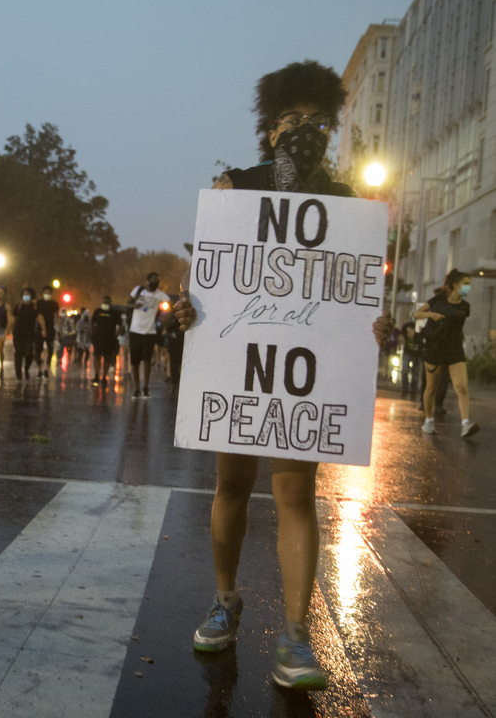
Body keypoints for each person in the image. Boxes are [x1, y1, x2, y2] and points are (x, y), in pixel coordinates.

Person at [171, 61, 394, 691]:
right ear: (270, 129)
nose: (303, 130)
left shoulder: (348, 205)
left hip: (306, 372)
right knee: (233, 483)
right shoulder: (235, 188)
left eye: (316, 120)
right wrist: (190, 307)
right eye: (290, 119)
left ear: (330, 127)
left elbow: (355, 299)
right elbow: (214, 272)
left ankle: (296, 634)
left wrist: (374, 329)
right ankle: (225, 599)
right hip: (242, 361)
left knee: (297, 494)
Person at [414, 269, 479, 438]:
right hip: (435, 348)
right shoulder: (438, 299)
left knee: (461, 387)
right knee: (431, 388)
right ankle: (428, 421)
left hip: (455, 350)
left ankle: (465, 424)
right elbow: (416, 314)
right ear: (456, 285)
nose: (468, 287)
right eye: (466, 284)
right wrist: (432, 315)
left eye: (469, 284)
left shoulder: (466, 307)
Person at [126, 272, 171, 399]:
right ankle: (136, 389)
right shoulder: (138, 290)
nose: (155, 282)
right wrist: (134, 305)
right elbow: (128, 303)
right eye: (153, 280)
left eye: (157, 280)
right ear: (147, 281)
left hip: (149, 332)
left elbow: (170, 304)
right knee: (134, 361)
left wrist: (163, 318)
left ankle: (145, 387)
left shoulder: (159, 294)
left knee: (146, 360)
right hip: (135, 330)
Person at [10, 287, 40, 381]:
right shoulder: (18, 306)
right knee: (18, 354)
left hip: (30, 335)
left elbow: (40, 318)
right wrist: (8, 329)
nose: (26, 296)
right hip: (18, 334)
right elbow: (13, 319)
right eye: (24, 294)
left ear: (32, 296)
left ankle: (26, 369)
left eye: (28, 294)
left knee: (29, 354)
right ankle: (18, 374)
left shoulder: (35, 307)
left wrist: (43, 329)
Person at [90, 295, 119, 387]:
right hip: (98, 338)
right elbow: (92, 322)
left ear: (110, 303)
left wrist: (116, 335)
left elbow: (120, 325)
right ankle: (96, 375)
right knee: (97, 356)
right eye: (104, 302)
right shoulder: (97, 311)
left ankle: (104, 377)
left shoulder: (114, 313)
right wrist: (93, 333)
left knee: (107, 358)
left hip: (109, 339)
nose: (105, 304)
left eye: (107, 302)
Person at [35, 285, 59, 378]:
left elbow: (56, 316)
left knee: (50, 349)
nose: (47, 294)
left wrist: (58, 329)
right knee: (38, 349)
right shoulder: (40, 303)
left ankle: (46, 370)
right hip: (40, 329)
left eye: (49, 293)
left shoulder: (54, 304)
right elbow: (39, 316)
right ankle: (39, 369)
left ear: (51, 293)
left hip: (50, 329)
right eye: (45, 293)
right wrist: (43, 329)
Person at [398, 321, 420, 399]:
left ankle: (413, 390)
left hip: (417, 354)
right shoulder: (406, 325)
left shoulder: (420, 326)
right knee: (405, 370)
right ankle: (405, 389)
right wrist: (402, 339)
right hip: (407, 352)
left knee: (415, 373)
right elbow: (401, 336)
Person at [55, 307, 75, 371]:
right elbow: (56, 327)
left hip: (66, 337)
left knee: (67, 348)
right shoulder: (58, 320)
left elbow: (71, 328)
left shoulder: (68, 320)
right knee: (60, 349)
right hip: (59, 337)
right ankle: (59, 359)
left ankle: (68, 357)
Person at [75, 308, 92, 374]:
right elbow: (77, 329)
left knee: (87, 352)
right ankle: (79, 361)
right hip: (80, 339)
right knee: (80, 351)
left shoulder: (90, 323)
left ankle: (85, 361)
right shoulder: (80, 322)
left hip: (87, 340)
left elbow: (91, 331)